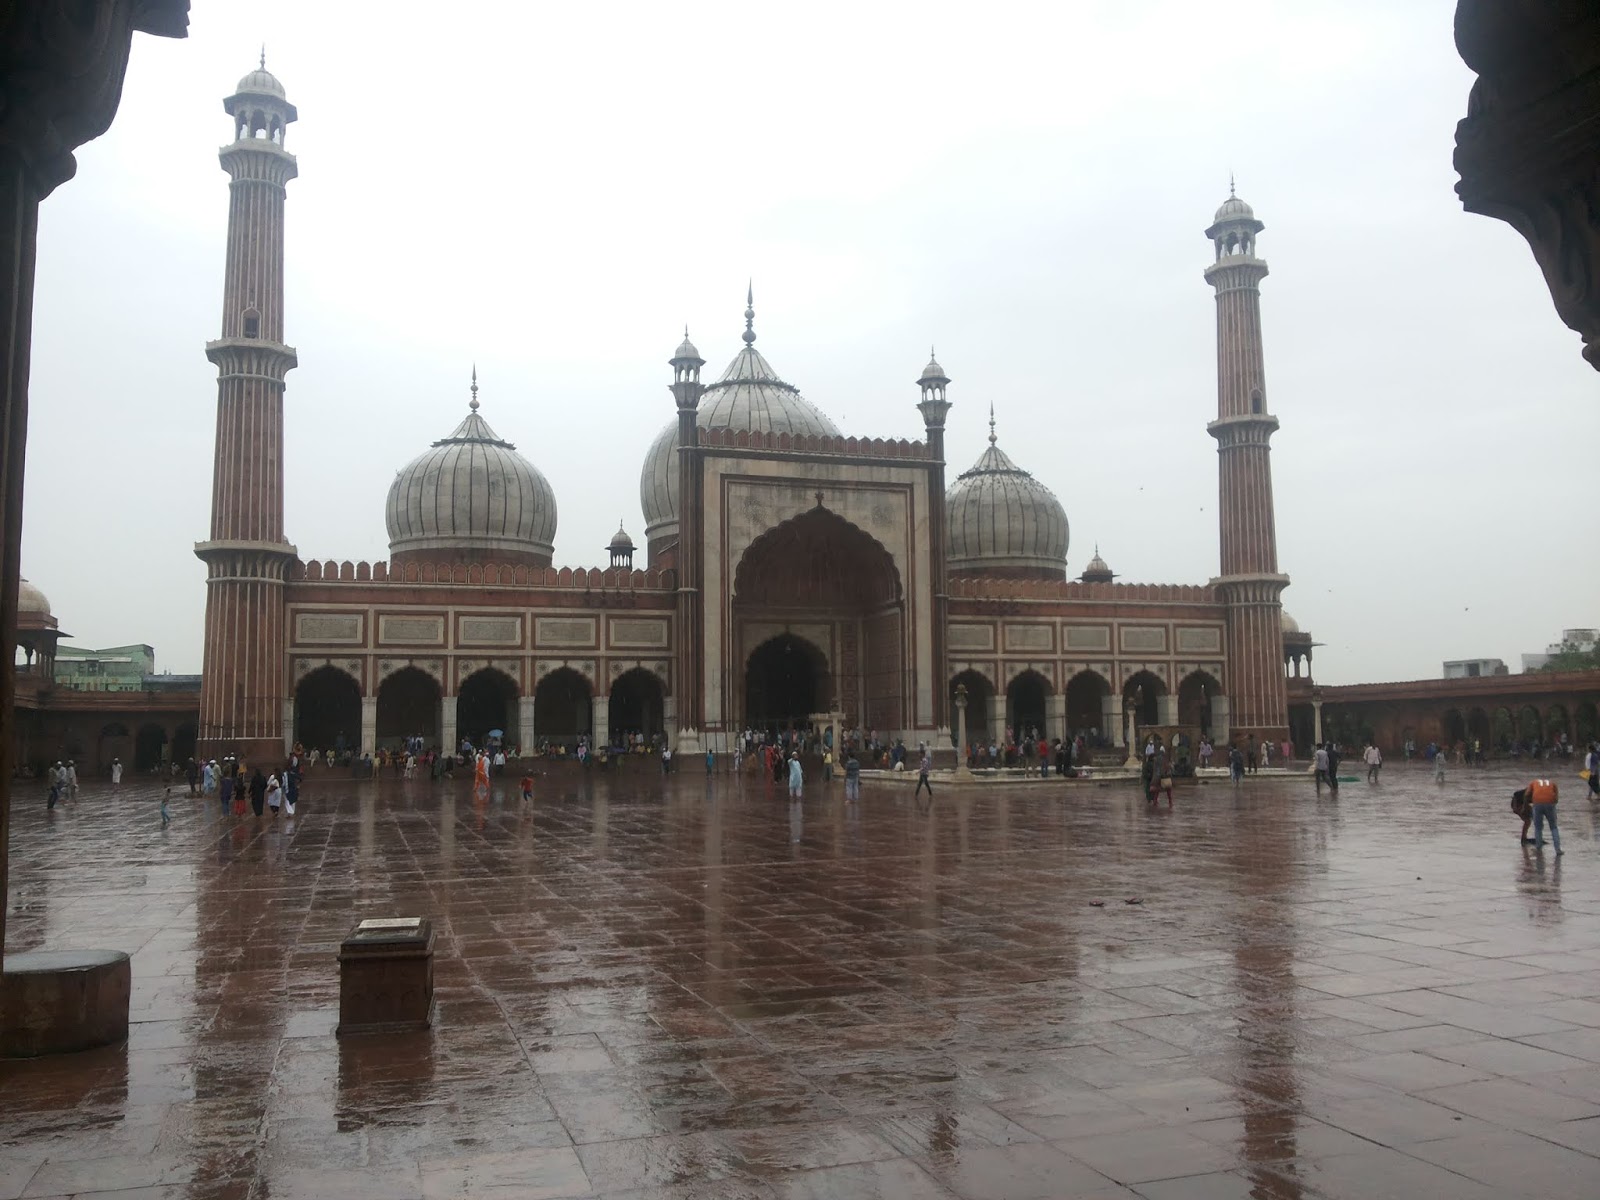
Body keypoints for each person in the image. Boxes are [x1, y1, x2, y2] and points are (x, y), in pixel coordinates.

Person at [1526, 776, 1561, 854]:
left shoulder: (1533, 782)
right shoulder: (1553, 783)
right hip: (1550, 804)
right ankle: (1558, 849)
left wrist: (1528, 804)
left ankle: (1538, 847)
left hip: (1537, 804)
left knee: (1538, 827)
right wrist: (1552, 805)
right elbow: (1556, 798)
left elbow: (1527, 794)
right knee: (1553, 827)